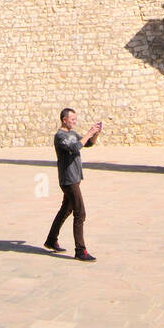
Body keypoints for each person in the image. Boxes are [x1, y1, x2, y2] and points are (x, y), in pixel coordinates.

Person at [45, 107, 101, 261]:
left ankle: (51, 240)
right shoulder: (60, 136)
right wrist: (89, 133)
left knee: (65, 210)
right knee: (80, 213)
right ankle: (80, 250)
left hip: (75, 177)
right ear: (64, 120)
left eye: (75, 119)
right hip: (68, 179)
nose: (75, 122)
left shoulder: (72, 134)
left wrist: (94, 134)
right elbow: (75, 147)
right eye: (72, 120)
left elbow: (87, 144)